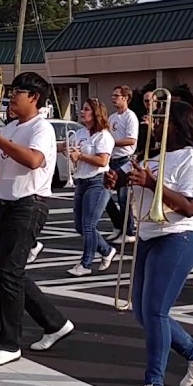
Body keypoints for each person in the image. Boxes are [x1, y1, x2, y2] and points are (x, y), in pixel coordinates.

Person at [123, 99, 193, 386]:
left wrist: (152, 183)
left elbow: (190, 206)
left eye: (161, 119)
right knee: (143, 312)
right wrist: (119, 180)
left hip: (179, 236)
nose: (154, 123)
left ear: (176, 124)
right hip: (149, 235)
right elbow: (134, 182)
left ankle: (154, 383)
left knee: (156, 313)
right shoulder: (153, 155)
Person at [0, 71, 75, 367]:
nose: (11, 96)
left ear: (34, 97)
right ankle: (55, 323)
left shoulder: (40, 128)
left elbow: (34, 160)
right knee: (11, 272)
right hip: (7, 202)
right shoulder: (10, 128)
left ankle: (8, 344)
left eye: (17, 92)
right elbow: (0, 163)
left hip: (28, 205)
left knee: (10, 274)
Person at [66, 98, 119, 276]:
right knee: (80, 226)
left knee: (89, 224)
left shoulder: (103, 136)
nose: (82, 112)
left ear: (96, 113)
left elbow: (102, 160)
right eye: (82, 109)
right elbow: (69, 147)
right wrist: (64, 149)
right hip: (81, 180)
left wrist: (80, 156)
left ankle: (86, 264)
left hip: (98, 181)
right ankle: (106, 250)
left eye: (87, 109)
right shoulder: (80, 133)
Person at [103, 85, 140, 242]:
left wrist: (112, 143)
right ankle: (118, 225)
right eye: (113, 95)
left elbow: (131, 140)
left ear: (125, 98)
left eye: (117, 96)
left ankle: (129, 232)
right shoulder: (112, 117)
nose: (114, 98)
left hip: (125, 159)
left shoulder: (130, 117)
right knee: (105, 196)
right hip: (112, 160)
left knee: (124, 198)